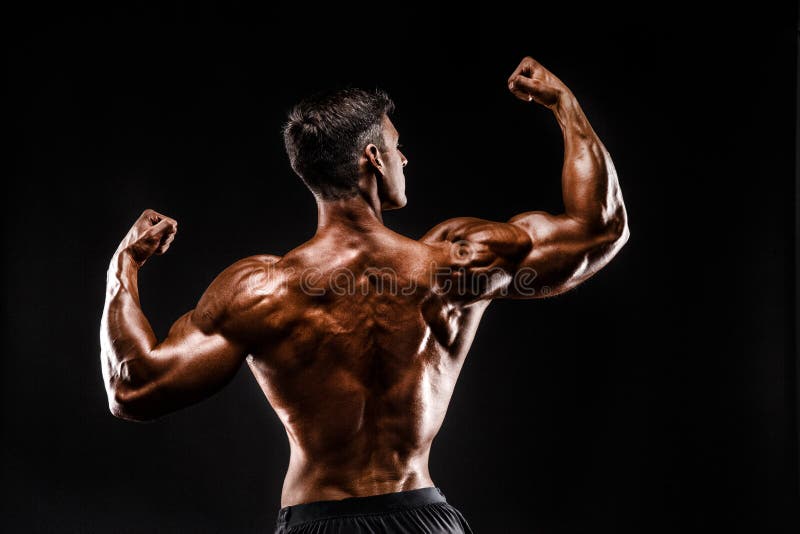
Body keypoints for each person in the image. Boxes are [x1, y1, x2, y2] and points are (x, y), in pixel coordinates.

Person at [100, 56, 629, 533]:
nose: (406, 160)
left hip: (316, 520)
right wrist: (565, 104)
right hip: (422, 516)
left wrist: (123, 265)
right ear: (374, 158)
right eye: (399, 148)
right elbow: (600, 229)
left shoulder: (263, 290)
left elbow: (134, 389)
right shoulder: (456, 263)